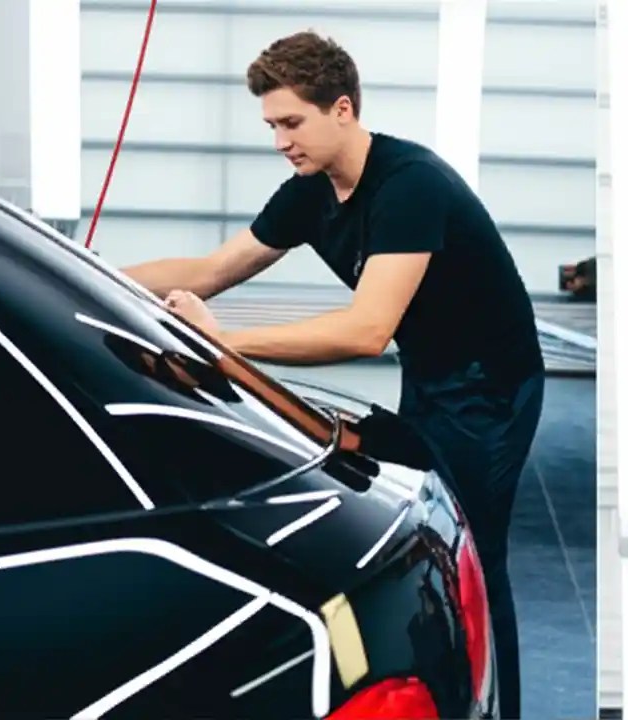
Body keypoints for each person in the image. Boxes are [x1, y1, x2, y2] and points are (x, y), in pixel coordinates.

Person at [120, 31, 543, 717]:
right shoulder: (309, 191)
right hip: (432, 370)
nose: (281, 140)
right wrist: (83, 280)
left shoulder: (410, 187)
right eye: (272, 126)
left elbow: (365, 330)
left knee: (474, 549)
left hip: (492, 386)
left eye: (292, 122)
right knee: (437, 536)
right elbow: (207, 273)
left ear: (342, 109)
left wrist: (226, 348)